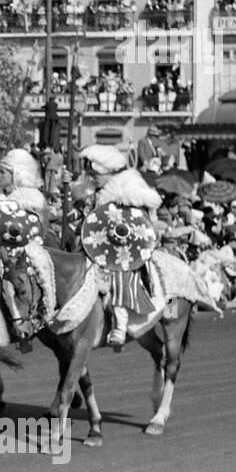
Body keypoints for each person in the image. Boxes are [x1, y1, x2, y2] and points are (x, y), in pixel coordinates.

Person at [78, 143, 162, 347]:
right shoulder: (97, 192)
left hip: (125, 251)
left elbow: (141, 225)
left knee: (117, 276)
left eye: (94, 173)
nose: (91, 178)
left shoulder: (128, 190)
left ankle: (120, 326)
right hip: (96, 248)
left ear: (106, 172)